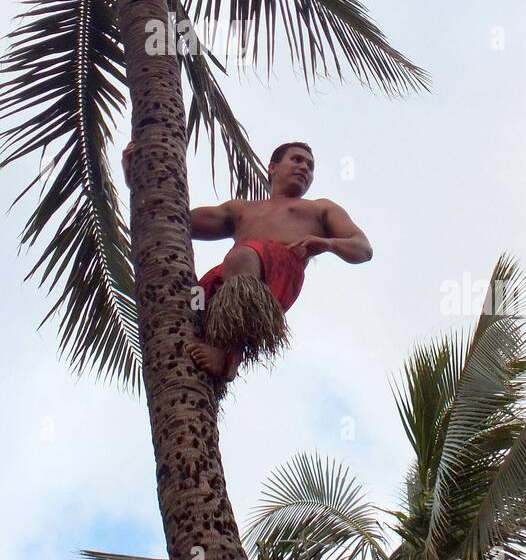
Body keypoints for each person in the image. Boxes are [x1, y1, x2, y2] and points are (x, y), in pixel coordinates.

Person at [121, 139, 372, 394]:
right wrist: (138, 178)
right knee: (192, 297)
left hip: (279, 272)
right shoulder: (242, 209)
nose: (305, 168)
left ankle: (230, 356)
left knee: (241, 256)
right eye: (296, 160)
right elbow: (174, 218)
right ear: (273, 167)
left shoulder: (320, 208)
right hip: (234, 274)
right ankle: (200, 381)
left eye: (310, 165)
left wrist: (326, 243)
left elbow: (363, 248)